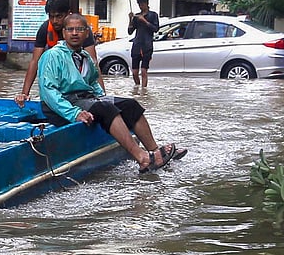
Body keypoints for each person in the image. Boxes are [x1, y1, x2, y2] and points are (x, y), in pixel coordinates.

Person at [38, 14, 187, 173]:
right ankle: (143, 159)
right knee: (105, 109)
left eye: (79, 29)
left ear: (87, 33)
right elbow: (48, 91)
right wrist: (74, 113)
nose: (75, 33)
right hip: (63, 104)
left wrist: (101, 97)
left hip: (84, 99)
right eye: (70, 29)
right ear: (64, 33)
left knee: (130, 105)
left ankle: (155, 151)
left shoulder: (86, 56)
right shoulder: (53, 55)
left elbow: (93, 82)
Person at [15, 0, 103, 108]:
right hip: (58, 76)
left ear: (68, 13)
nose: (55, 21)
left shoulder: (81, 31)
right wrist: (24, 94)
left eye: (59, 16)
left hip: (77, 80)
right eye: (51, 17)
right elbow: (34, 61)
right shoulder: (45, 29)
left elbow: (93, 64)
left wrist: (101, 96)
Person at [126, 0, 160, 88]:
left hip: (147, 46)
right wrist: (130, 20)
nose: (141, 6)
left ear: (146, 3)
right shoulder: (137, 16)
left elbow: (155, 28)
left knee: (144, 71)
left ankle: (144, 90)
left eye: (142, 4)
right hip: (136, 45)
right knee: (135, 72)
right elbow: (130, 31)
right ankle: (137, 87)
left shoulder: (153, 15)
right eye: (139, 4)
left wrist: (144, 20)